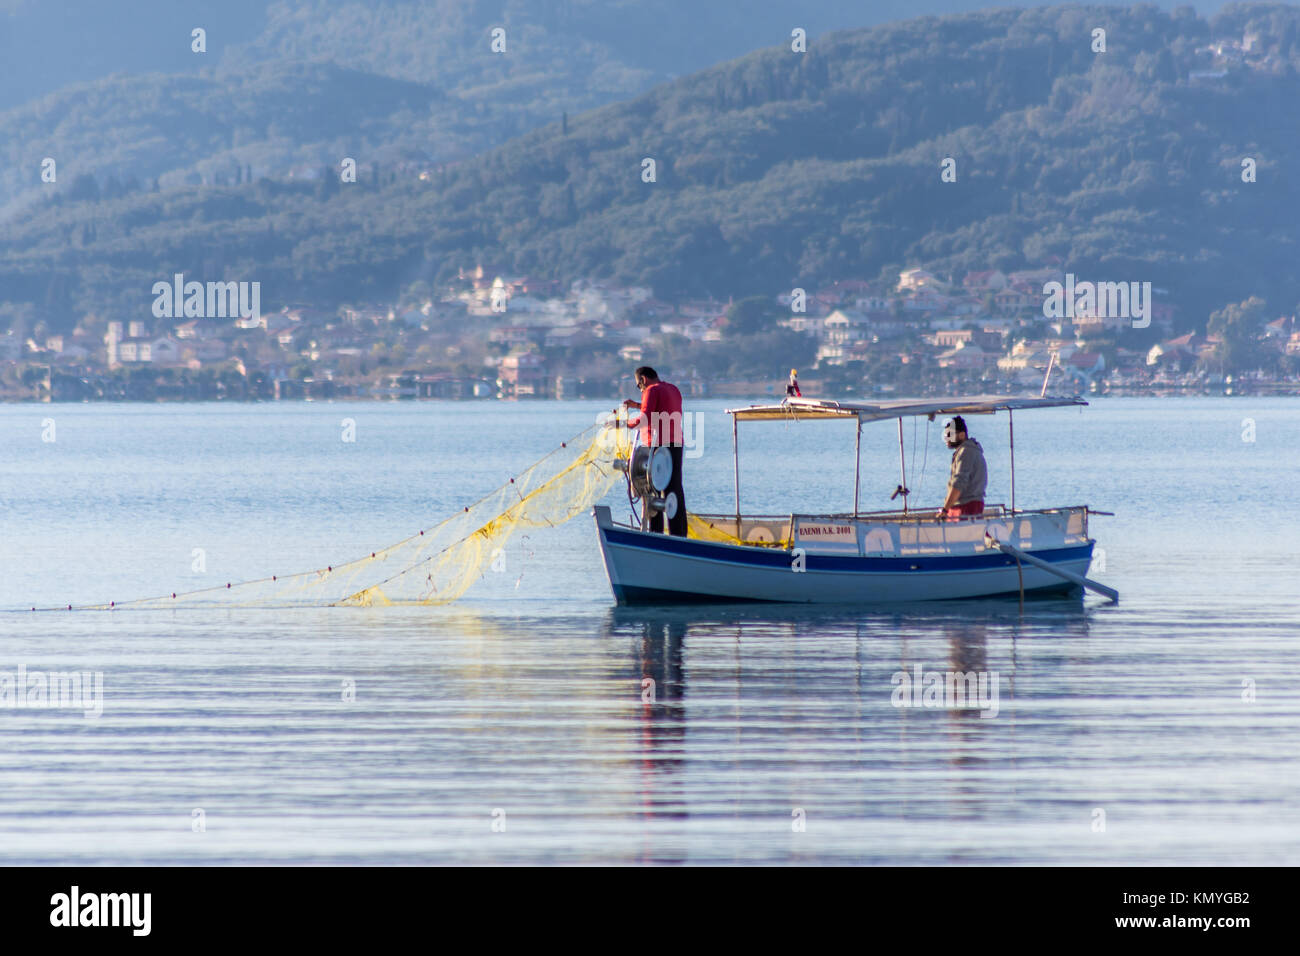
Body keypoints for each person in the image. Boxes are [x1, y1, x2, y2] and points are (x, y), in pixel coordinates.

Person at [622, 366, 687, 536]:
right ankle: (679, 535)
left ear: (643, 379)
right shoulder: (673, 389)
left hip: (658, 445)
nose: (640, 389)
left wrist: (624, 424)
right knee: (674, 488)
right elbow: (660, 408)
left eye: (639, 385)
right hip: (676, 444)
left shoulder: (651, 390)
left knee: (653, 489)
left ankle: (656, 534)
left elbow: (645, 419)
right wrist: (637, 405)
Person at [937, 415, 987, 519]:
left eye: (949, 434)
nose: (946, 438)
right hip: (968, 505)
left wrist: (945, 510)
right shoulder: (970, 450)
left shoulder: (966, 451)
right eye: (945, 435)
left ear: (962, 435)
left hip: (966, 507)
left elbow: (959, 482)